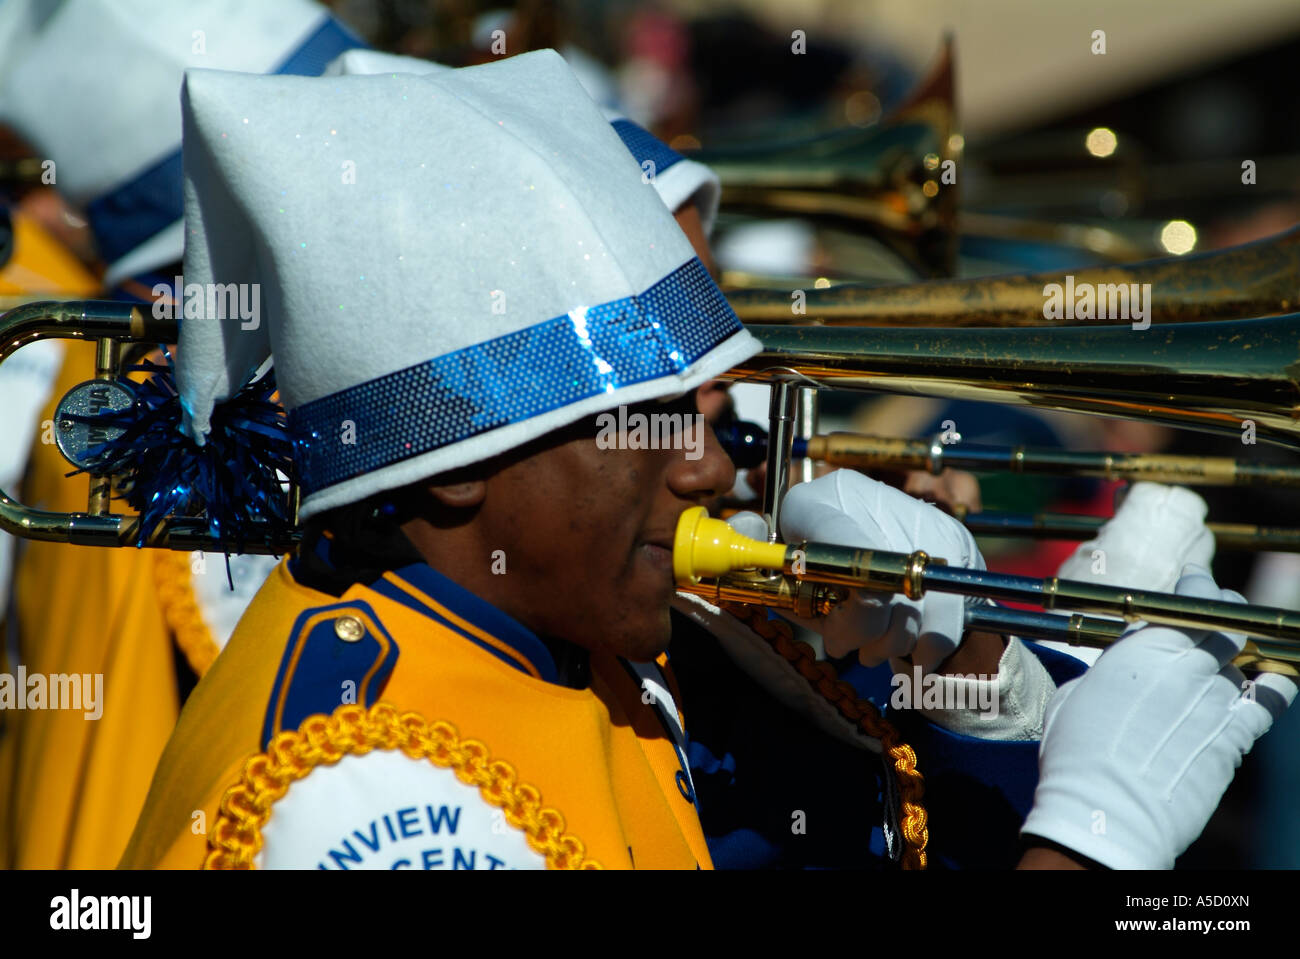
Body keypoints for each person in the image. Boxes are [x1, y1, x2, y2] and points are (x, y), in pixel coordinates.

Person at [118, 50, 1292, 870]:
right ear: (453, 466)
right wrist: (1093, 839)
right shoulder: (369, 793)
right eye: (649, 417)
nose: (703, 463)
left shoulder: (563, 641)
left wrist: (976, 679)